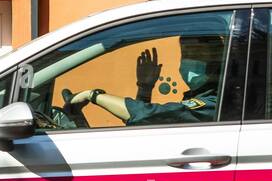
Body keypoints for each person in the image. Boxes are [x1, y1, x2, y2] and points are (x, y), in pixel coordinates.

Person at [66, 35, 223, 125]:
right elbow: (143, 124)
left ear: (217, 61)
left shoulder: (215, 102)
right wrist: (145, 88)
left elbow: (150, 115)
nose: (189, 62)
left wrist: (92, 95)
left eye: (197, 54)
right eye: (185, 55)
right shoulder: (199, 96)